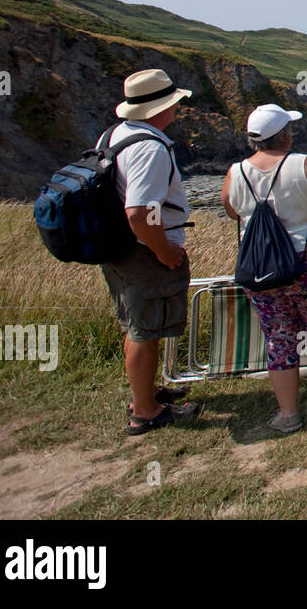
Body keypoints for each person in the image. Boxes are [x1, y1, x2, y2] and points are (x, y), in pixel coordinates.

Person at [221, 104, 307, 433]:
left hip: (261, 265)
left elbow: (232, 211)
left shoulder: (235, 172)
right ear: (283, 135)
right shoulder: (303, 164)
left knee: (279, 336)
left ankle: (288, 415)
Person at [100, 69, 201, 436]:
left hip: (119, 248)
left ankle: (147, 394)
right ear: (162, 107)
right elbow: (140, 212)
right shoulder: (150, 147)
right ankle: (146, 411)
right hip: (143, 251)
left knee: (137, 324)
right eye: (174, 102)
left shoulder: (115, 135)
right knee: (144, 329)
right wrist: (164, 252)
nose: (177, 108)